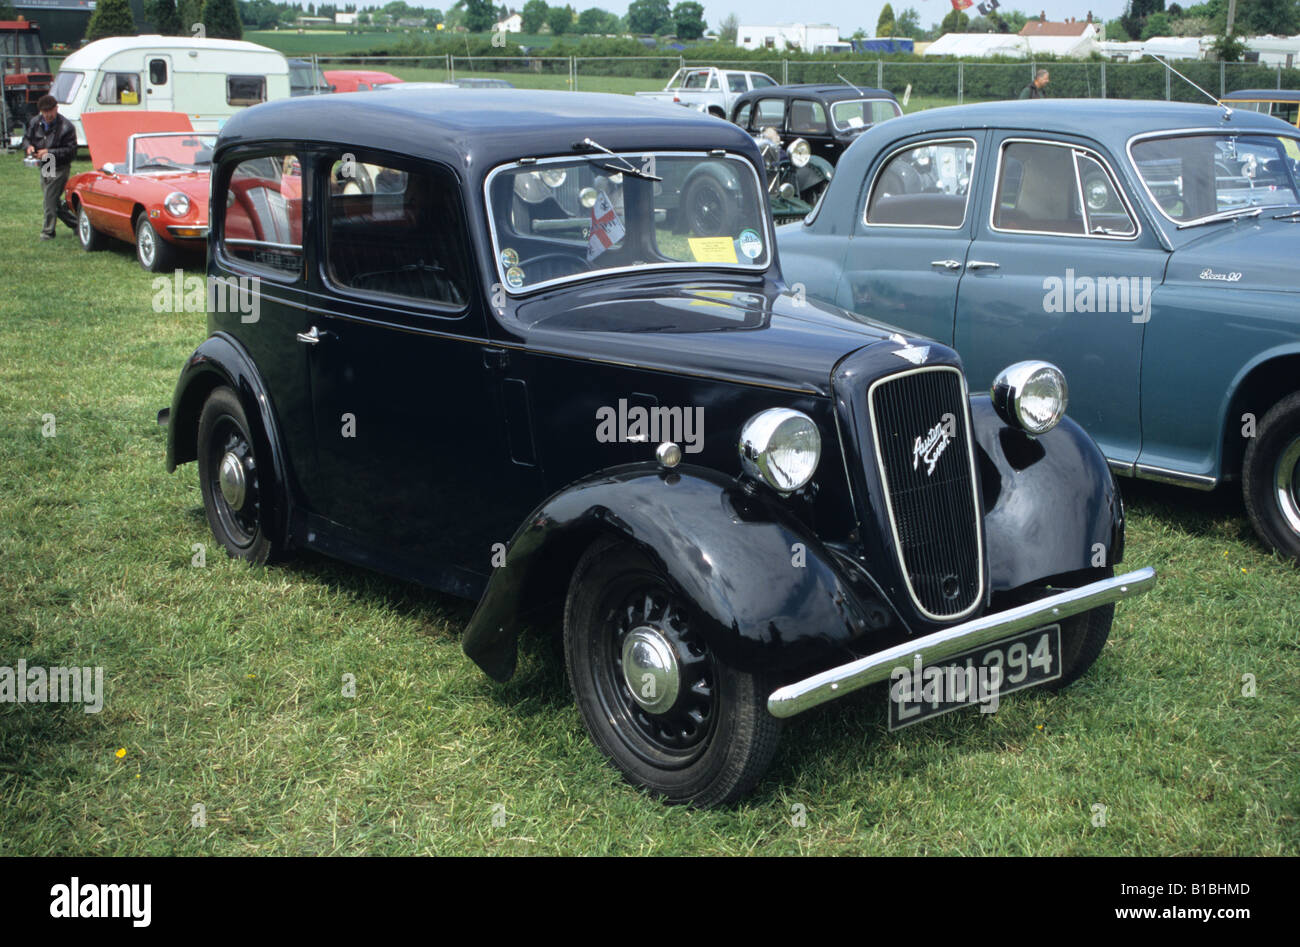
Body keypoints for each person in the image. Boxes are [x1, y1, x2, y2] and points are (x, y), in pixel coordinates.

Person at [22, 94, 79, 241]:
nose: (48, 115)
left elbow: (71, 151)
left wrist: (49, 152)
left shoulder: (66, 127)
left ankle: (47, 232)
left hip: (60, 165)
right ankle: (78, 224)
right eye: (44, 112)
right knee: (51, 200)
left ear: (56, 109)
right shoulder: (35, 122)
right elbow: (26, 138)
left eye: (50, 111)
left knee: (49, 199)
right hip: (46, 164)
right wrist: (29, 147)